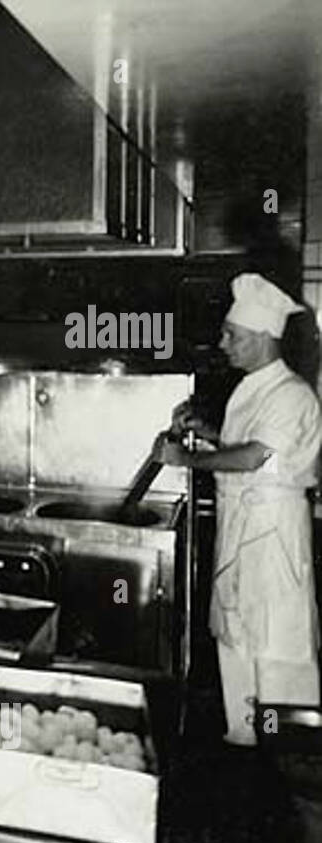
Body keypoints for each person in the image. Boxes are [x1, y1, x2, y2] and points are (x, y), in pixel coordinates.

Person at [154, 272, 322, 746]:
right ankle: (245, 742)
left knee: (275, 647)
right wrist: (207, 432)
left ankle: (289, 755)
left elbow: (254, 457)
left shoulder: (291, 393)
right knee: (237, 635)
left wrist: (187, 458)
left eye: (232, 335)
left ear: (264, 337)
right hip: (243, 530)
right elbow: (242, 445)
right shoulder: (253, 388)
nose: (222, 343)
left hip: (272, 537)